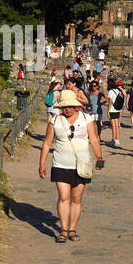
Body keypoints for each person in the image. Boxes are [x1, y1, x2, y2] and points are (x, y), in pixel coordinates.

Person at [39, 89, 103, 242]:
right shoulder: (55, 120)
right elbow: (47, 143)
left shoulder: (87, 119)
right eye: (63, 106)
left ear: (75, 106)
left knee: (76, 199)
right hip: (61, 163)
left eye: (69, 106)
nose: (66, 109)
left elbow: (94, 139)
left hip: (82, 164)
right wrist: (41, 164)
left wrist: (99, 157)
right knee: (63, 197)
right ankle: (63, 229)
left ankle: (72, 228)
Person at [106, 78, 124, 143]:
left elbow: (110, 101)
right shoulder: (118, 90)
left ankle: (113, 139)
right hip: (118, 110)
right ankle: (117, 139)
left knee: (113, 126)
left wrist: (108, 111)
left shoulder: (110, 92)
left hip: (112, 110)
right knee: (117, 125)